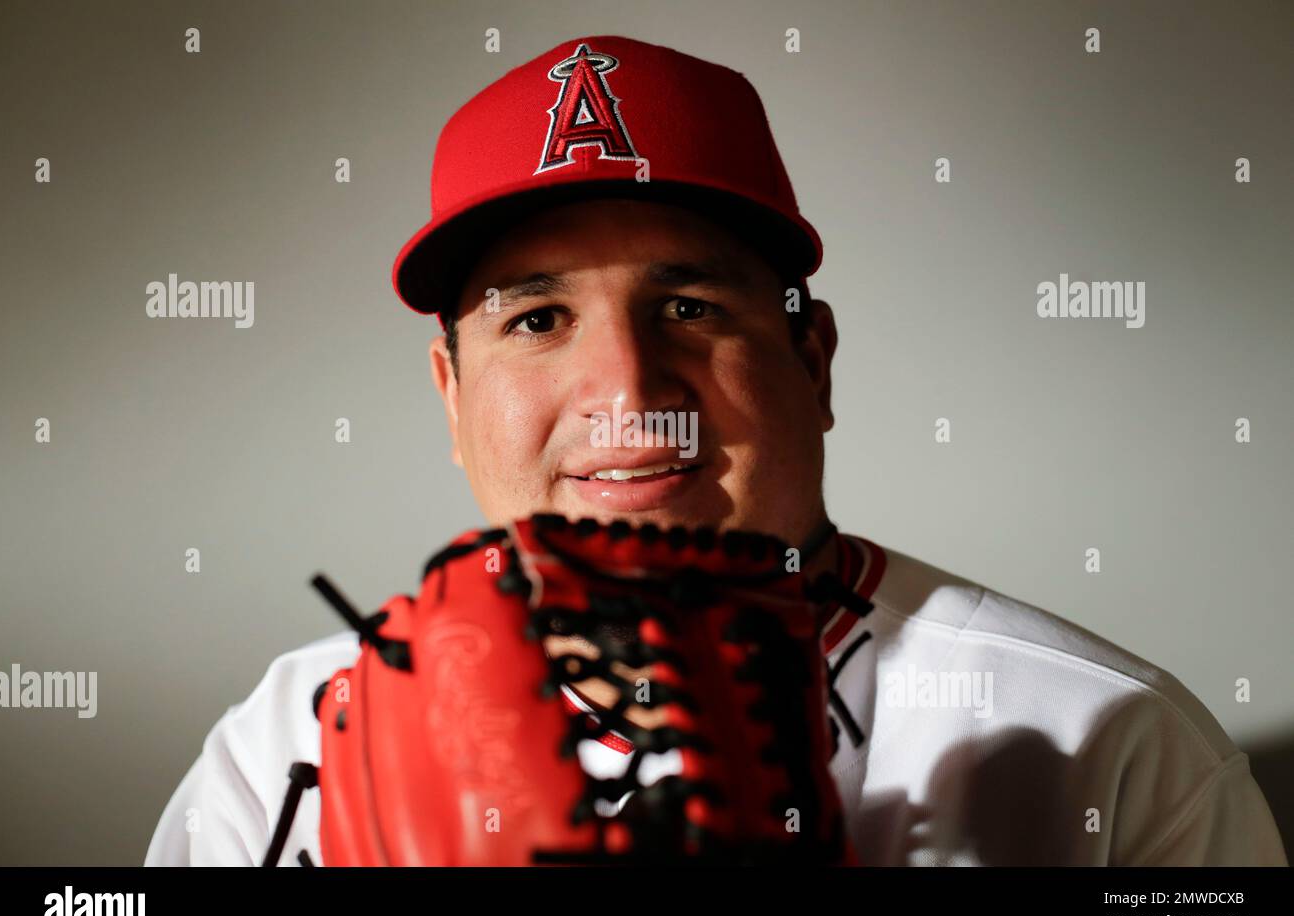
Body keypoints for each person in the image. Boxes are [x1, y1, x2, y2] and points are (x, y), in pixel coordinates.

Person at [145, 35, 1287, 866]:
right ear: (452, 396)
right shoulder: (285, 737)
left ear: (814, 359)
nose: (628, 392)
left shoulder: (1113, 737)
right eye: (536, 320)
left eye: (688, 307)